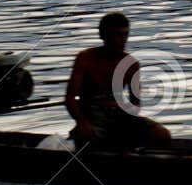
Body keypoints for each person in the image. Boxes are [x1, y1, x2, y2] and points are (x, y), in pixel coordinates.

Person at [64, 12, 172, 151]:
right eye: (117, 35)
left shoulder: (131, 64)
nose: (122, 40)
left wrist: (127, 120)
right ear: (103, 36)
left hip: (121, 116)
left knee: (162, 135)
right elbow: (70, 98)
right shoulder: (85, 59)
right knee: (85, 136)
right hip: (93, 116)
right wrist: (82, 122)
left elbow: (135, 102)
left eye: (125, 35)